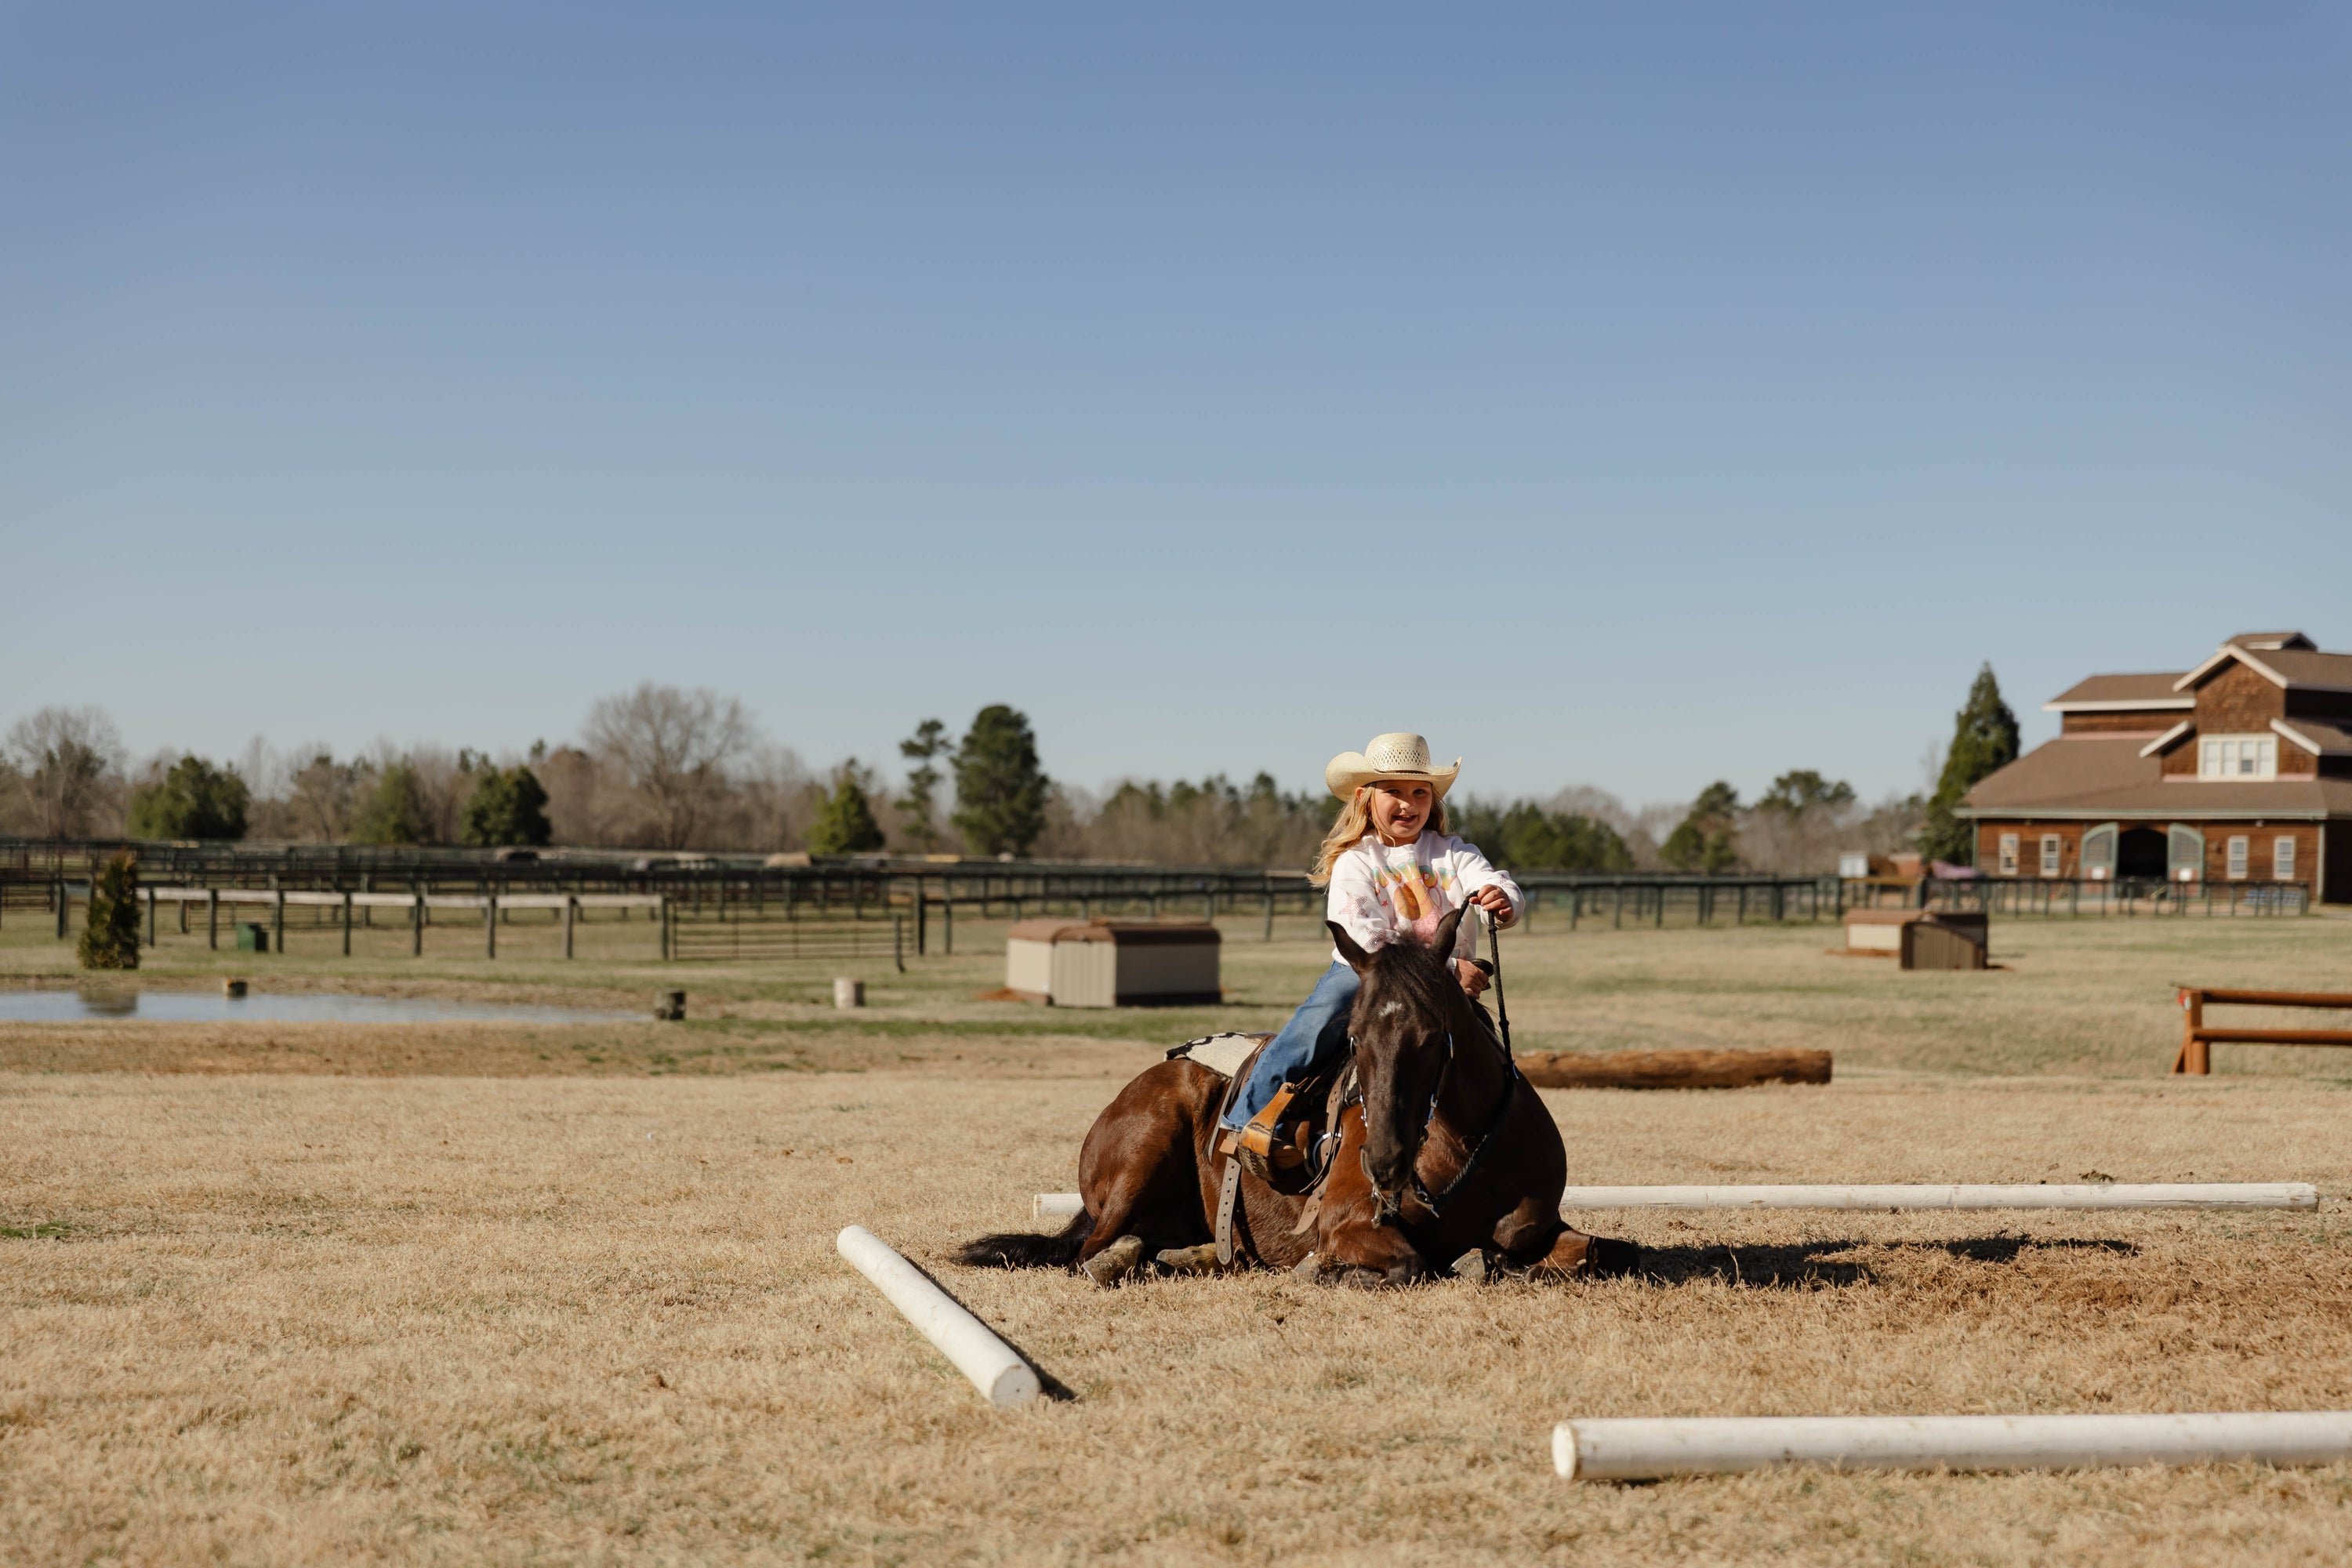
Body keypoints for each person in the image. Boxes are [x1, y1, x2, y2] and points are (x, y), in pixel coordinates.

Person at [1220, 732, 1522, 1176]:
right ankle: (1246, 1117)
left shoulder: (1454, 853)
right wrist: (1452, 967)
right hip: (1366, 978)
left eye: (1419, 791)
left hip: (1445, 987)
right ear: (1365, 798)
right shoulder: (1355, 862)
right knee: (1314, 1026)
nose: (1408, 803)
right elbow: (1365, 938)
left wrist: (1502, 897)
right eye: (1394, 792)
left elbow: (1489, 878)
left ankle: (1504, 1136)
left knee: (1487, 1053)